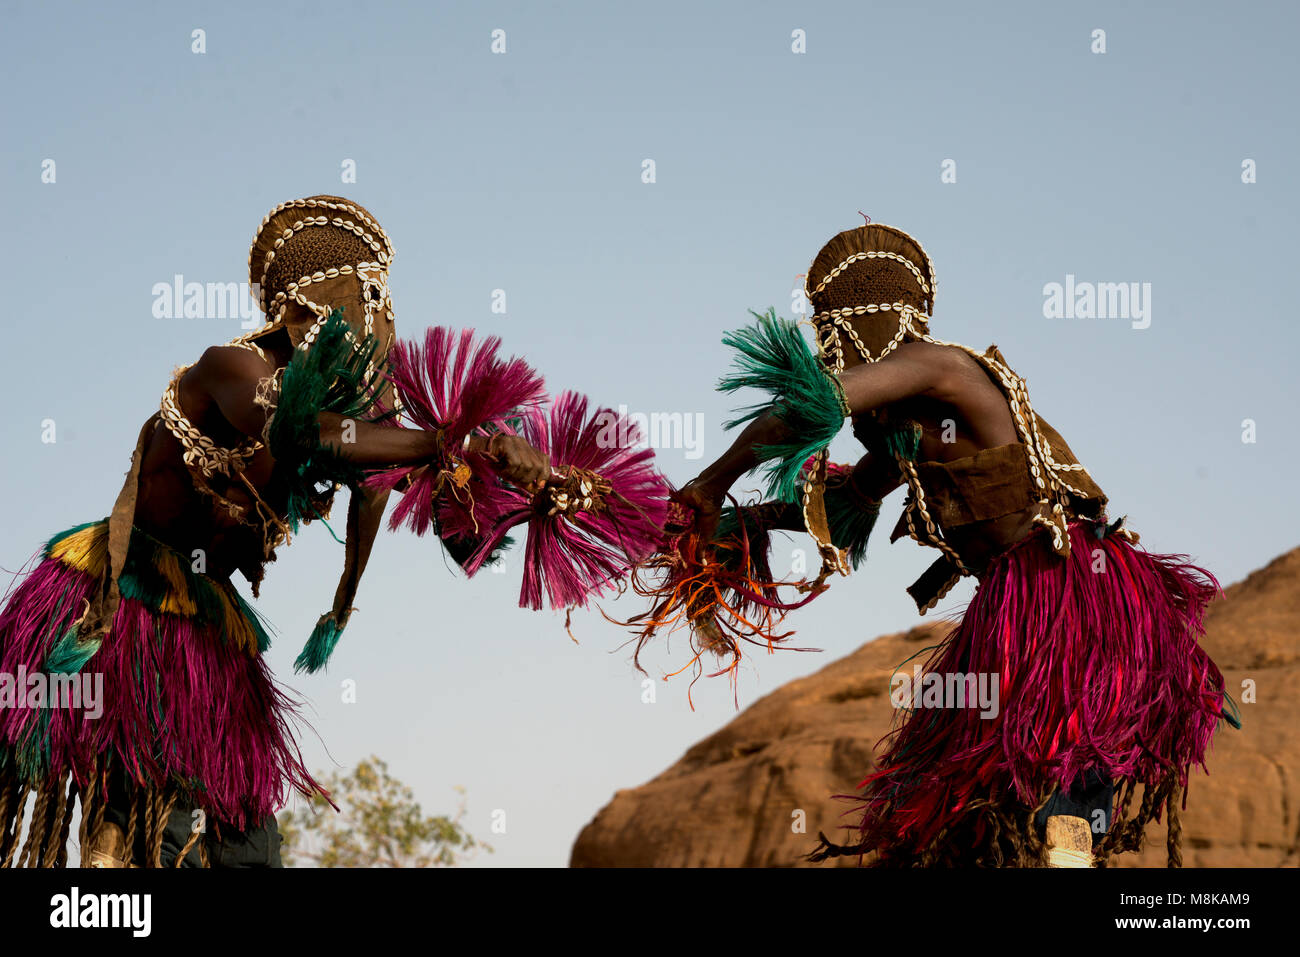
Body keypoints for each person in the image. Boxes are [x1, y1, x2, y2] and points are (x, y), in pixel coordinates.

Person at [0, 196, 548, 868]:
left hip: (210, 636)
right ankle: (112, 828)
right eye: (371, 305)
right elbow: (303, 434)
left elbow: (454, 527)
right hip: (121, 610)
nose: (386, 330)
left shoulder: (362, 420)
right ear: (300, 315)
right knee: (166, 837)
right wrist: (441, 438)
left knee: (246, 842)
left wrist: (515, 479)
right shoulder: (230, 370)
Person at [673, 221, 1236, 866]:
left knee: (1067, 763)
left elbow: (807, 408)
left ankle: (1072, 846)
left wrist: (710, 483)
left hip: (1076, 588)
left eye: (832, 338)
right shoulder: (909, 428)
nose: (831, 355)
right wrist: (743, 523)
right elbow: (843, 505)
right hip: (1015, 605)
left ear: (864, 325)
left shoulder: (942, 368)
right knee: (938, 796)